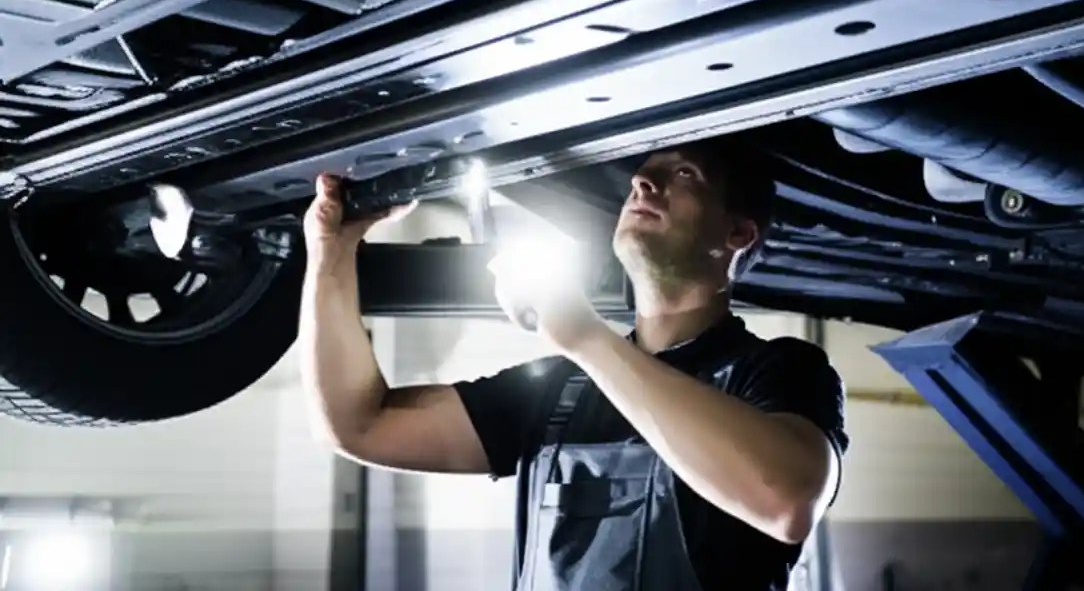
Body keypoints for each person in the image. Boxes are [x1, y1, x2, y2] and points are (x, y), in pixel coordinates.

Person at [295, 138, 848, 591]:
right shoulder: (557, 391)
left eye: (684, 175)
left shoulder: (778, 370)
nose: (642, 182)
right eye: (644, 174)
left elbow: (786, 500)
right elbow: (357, 423)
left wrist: (586, 338)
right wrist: (331, 254)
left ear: (737, 234)